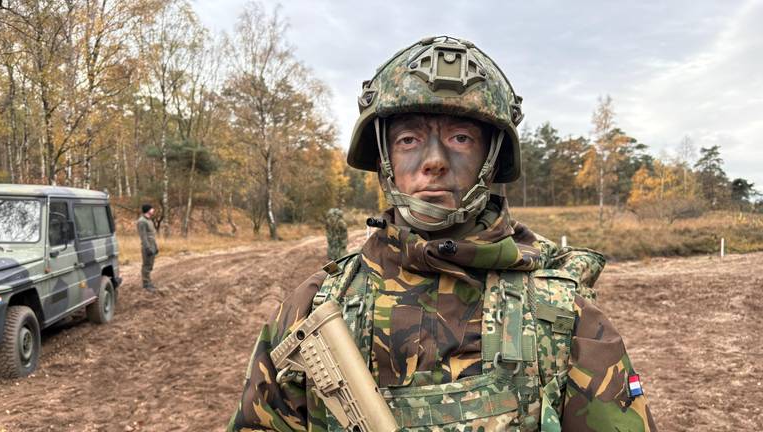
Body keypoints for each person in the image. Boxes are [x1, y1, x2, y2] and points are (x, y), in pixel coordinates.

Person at [227, 36, 656, 431]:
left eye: (461, 137)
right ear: (385, 160)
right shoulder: (313, 312)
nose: (434, 161)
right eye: (410, 139)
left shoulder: (563, 316)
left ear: (491, 159)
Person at [137, 204, 158, 291]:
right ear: (147, 210)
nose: (153, 210)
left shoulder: (149, 221)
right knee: (146, 265)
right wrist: (147, 248)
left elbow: (152, 236)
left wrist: (155, 246)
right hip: (147, 247)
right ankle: (146, 284)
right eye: (151, 208)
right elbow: (143, 236)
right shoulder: (142, 221)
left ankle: (149, 282)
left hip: (152, 246)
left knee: (150, 265)